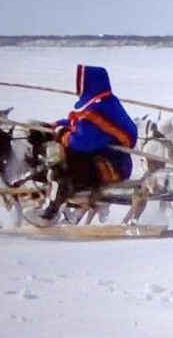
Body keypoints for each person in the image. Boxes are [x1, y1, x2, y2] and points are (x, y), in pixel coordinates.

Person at [39, 64, 138, 221]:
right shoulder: (104, 103)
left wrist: (62, 135)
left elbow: (83, 142)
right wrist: (60, 123)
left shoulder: (99, 110)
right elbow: (80, 124)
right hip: (113, 160)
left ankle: (54, 208)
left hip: (111, 166)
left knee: (61, 166)